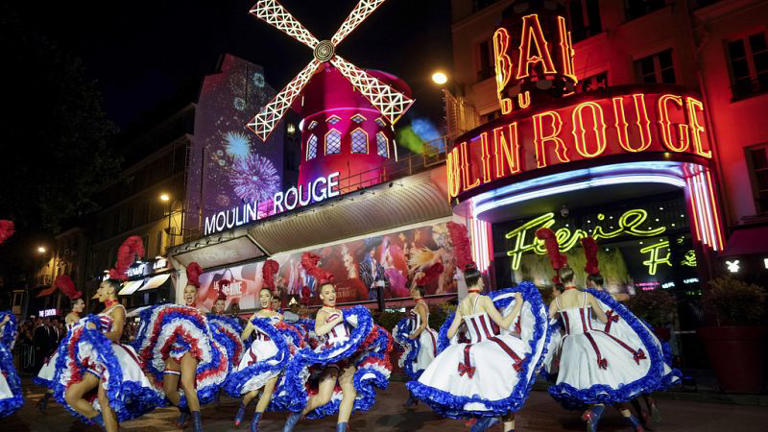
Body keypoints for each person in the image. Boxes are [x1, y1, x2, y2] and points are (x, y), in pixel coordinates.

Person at [407, 264, 548, 432]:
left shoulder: (462, 305)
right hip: (490, 348)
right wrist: (518, 304)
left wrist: (461, 331)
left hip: (472, 352)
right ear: (478, 280)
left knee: (485, 393)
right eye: (482, 280)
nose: (483, 283)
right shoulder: (484, 300)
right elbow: (504, 323)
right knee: (506, 390)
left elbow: (450, 333)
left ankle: (486, 421)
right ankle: (504, 426)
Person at [548, 265, 662, 432]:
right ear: (574, 278)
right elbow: (603, 319)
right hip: (593, 341)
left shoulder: (557, 301)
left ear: (561, 281)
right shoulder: (586, 295)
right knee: (609, 384)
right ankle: (596, 414)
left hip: (572, 347)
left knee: (600, 387)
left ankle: (634, 424)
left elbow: (546, 325)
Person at [53, 278, 162, 432]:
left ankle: (110, 426)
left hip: (112, 357)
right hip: (97, 358)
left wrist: (95, 335)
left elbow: (116, 333)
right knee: (72, 395)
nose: (99, 290)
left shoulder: (118, 309)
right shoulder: (103, 311)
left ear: (111, 290)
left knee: (105, 402)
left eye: (102, 287)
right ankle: (105, 423)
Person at [281, 281, 392, 432]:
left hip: (347, 357)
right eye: (327, 293)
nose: (331, 295)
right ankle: (293, 418)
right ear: (321, 296)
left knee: (350, 394)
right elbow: (319, 331)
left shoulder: (342, 312)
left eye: (333, 291)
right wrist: (337, 320)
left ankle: (341, 428)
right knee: (323, 398)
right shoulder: (322, 312)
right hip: (332, 356)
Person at [132, 261, 229, 432]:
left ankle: (198, 425)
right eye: (186, 292)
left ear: (197, 293)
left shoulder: (201, 313)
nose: (189, 294)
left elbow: (207, 336)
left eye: (192, 292)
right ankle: (185, 409)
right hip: (173, 352)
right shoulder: (175, 310)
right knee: (169, 390)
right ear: (183, 294)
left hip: (190, 352)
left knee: (186, 383)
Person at [228, 279, 304, 432]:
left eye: (266, 296)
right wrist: (248, 329)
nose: (263, 299)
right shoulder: (255, 317)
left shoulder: (279, 317)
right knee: (254, 391)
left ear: (271, 299)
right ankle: (242, 407)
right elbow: (244, 337)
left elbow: (286, 334)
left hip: (275, 353)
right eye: (261, 296)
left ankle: (254, 424)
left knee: (268, 389)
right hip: (258, 352)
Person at [35, 275, 85, 411]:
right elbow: (78, 333)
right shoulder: (72, 316)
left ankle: (45, 399)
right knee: (65, 376)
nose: (83, 305)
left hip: (74, 347)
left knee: (64, 377)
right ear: (74, 305)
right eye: (81, 303)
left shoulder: (77, 317)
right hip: (71, 349)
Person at [393, 266, 440, 408]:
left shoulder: (421, 305)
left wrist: (414, 335)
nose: (411, 292)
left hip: (423, 339)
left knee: (421, 369)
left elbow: (424, 323)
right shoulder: (419, 304)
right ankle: (413, 397)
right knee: (415, 368)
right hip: (420, 338)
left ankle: (427, 399)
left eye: (413, 290)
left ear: (418, 292)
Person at [0, 311, 23, 418]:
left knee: (7, 373)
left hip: (3, 351)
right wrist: (3, 322)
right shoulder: (3, 321)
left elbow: (10, 340)